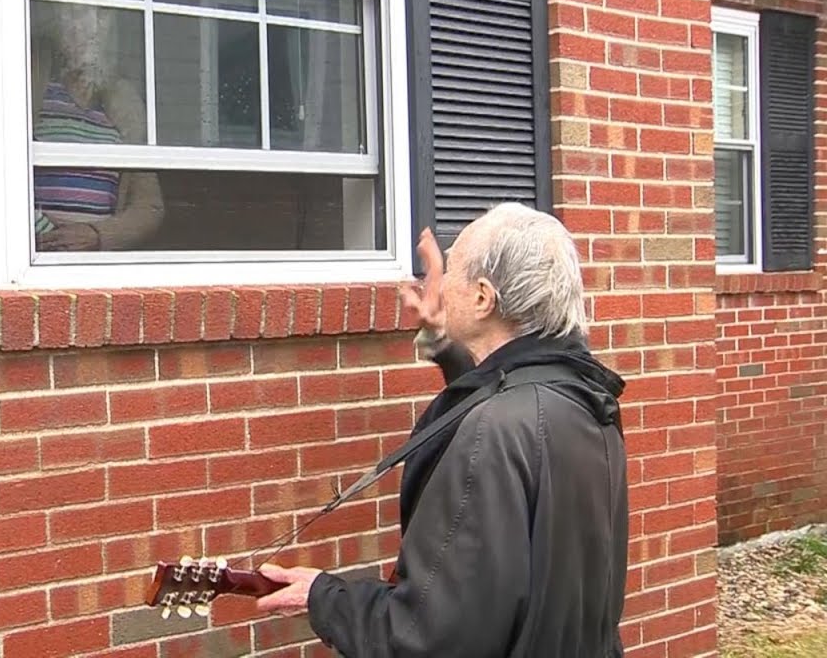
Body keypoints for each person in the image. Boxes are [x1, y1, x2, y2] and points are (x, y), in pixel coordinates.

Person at [256, 203, 630, 657]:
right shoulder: (584, 399)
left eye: (451, 268)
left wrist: (323, 597)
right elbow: (505, 392)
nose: (439, 281)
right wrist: (443, 340)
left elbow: (428, 637)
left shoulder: (492, 433)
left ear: (483, 297)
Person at [29, 0, 164, 252]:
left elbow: (149, 206)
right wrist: (48, 238)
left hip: (94, 268)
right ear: (56, 20)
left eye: (100, 14)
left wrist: (97, 236)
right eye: (76, 13)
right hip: (35, 264)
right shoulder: (31, 87)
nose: (89, 27)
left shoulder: (124, 104)